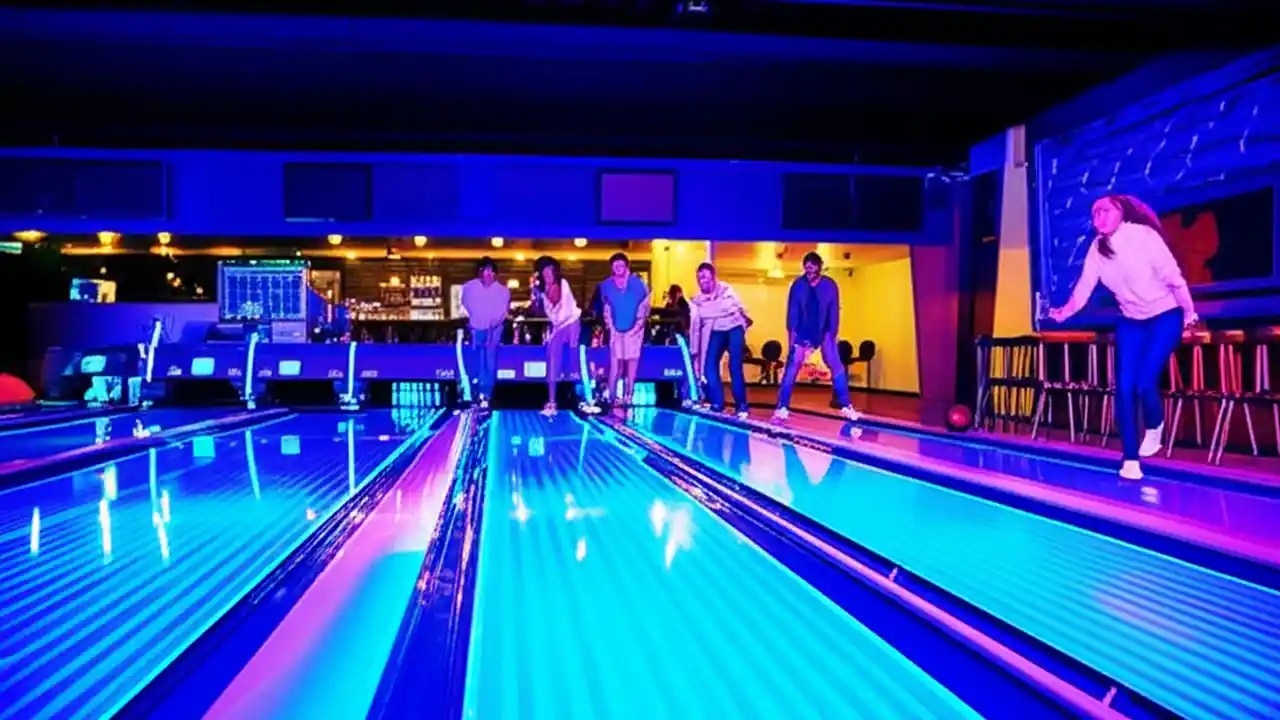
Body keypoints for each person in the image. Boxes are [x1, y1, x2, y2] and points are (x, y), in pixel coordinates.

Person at [1049, 193, 1198, 480]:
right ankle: (1130, 459)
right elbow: (1083, 287)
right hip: (1131, 320)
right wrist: (1063, 312)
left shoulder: (1143, 235)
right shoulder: (1097, 248)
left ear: (1122, 212)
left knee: (1145, 383)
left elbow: (1173, 277)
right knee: (1125, 387)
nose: (1099, 216)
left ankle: (1155, 425)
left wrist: (1189, 313)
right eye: (1095, 213)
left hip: (1166, 315)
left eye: (1106, 210)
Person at [773, 251, 860, 423]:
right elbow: (792, 312)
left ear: (820, 268)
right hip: (802, 331)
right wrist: (792, 338)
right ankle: (781, 407)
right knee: (792, 366)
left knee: (836, 366)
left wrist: (832, 335)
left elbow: (834, 311)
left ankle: (846, 406)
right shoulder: (798, 285)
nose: (809, 273)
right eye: (807, 270)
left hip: (824, 330)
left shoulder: (830, 285)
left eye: (812, 270)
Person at [533, 255, 595, 415]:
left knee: (575, 360)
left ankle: (586, 400)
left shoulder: (562, 283)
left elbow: (560, 304)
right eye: (544, 270)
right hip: (558, 327)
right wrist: (536, 292)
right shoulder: (542, 292)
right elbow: (541, 311)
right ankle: (551, 402)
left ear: (555, 271)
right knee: (552, 359)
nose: (547, 273)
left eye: (550, 269)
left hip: (572, 322)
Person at [689, 262, 752, 418]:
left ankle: (742, 406)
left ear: (714, 278)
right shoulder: (698, 299)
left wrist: (711, 308)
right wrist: (715, 308)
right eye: (700, 279)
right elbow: (701, 316)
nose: (703, 282)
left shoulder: (726, 289)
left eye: (706, 278)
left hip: (734, 327)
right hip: (717, 331)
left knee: (734, 366)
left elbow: (729, 307)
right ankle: (717, 403)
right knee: (709, 366)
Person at [598, 252, 650, 407]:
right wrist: (610, 327)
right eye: (615, 265)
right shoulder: (606, 285)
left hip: (635, 330)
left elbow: (645, 307)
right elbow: (606, 307)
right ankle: (611, 396)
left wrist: (637, 326)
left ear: (627, 266)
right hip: (615, 330)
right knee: (616, 364)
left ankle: (629, 396)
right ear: (612, 268)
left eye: (621, 264)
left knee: (632, 363)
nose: (618, 267)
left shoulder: (639, 284)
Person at [459, 257, 511, 409]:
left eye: (490, 271)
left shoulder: (503, 291)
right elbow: (466, 304)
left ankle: (486, 395)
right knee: (475, 361)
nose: (487, 274)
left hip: (494, 329)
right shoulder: (469, 287)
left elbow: (501, 313)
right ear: (479, 272)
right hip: (476, 328)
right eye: (484, 271)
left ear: (495, 274)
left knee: (489, 360)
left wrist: (491, 329)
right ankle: (474, 392)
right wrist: (475, 323)